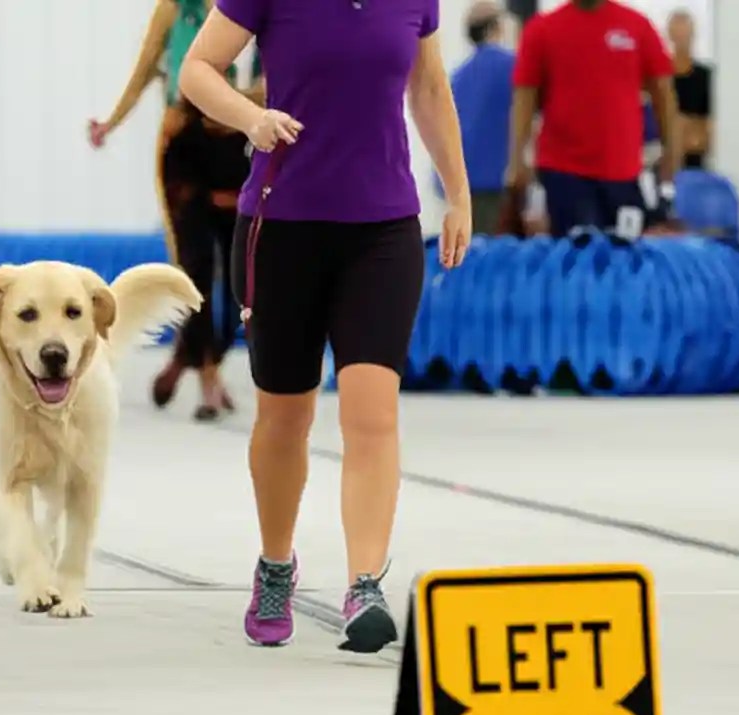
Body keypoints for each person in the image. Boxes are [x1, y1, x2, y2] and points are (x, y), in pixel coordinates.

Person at [179, 0, 472, 653]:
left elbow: (427, 87)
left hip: (384, 230)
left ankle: (365, 582)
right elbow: (197, 70)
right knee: (285, 416)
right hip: (282, 228)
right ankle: (276, 565)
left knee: (373, 411)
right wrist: (250, 118)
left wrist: (458, 193)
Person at [88, 0, 261, 420]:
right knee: (194, 267)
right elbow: (146, 68)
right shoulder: (174, 9)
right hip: (184, 145)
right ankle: (208, 378)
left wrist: (233, 100)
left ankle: (186, 357)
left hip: (234, 145)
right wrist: (112, 122)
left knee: (242, 274)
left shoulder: (259, 9)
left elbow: (276, 84)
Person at [506, 0, 681, 241]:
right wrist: (517, 162)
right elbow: (524, 99)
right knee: (578, 261)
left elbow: (664, 96)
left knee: (622, 263)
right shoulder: (542, 29)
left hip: (624, 174)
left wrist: (671, 155)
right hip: (564, 173)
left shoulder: (637, 27)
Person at [448, 1, 516, 235]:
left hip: (459, 180)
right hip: (496, 178)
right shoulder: (511, 65)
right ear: (494, 27)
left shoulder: (458, 75)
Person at [667, 9, 712, 169]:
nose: (681, 41)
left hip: (696, 166)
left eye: (685, 35)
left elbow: (709, 130)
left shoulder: (706, 77)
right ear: (670, 36)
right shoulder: (658, 78)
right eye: (677, 35)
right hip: (661, 165)